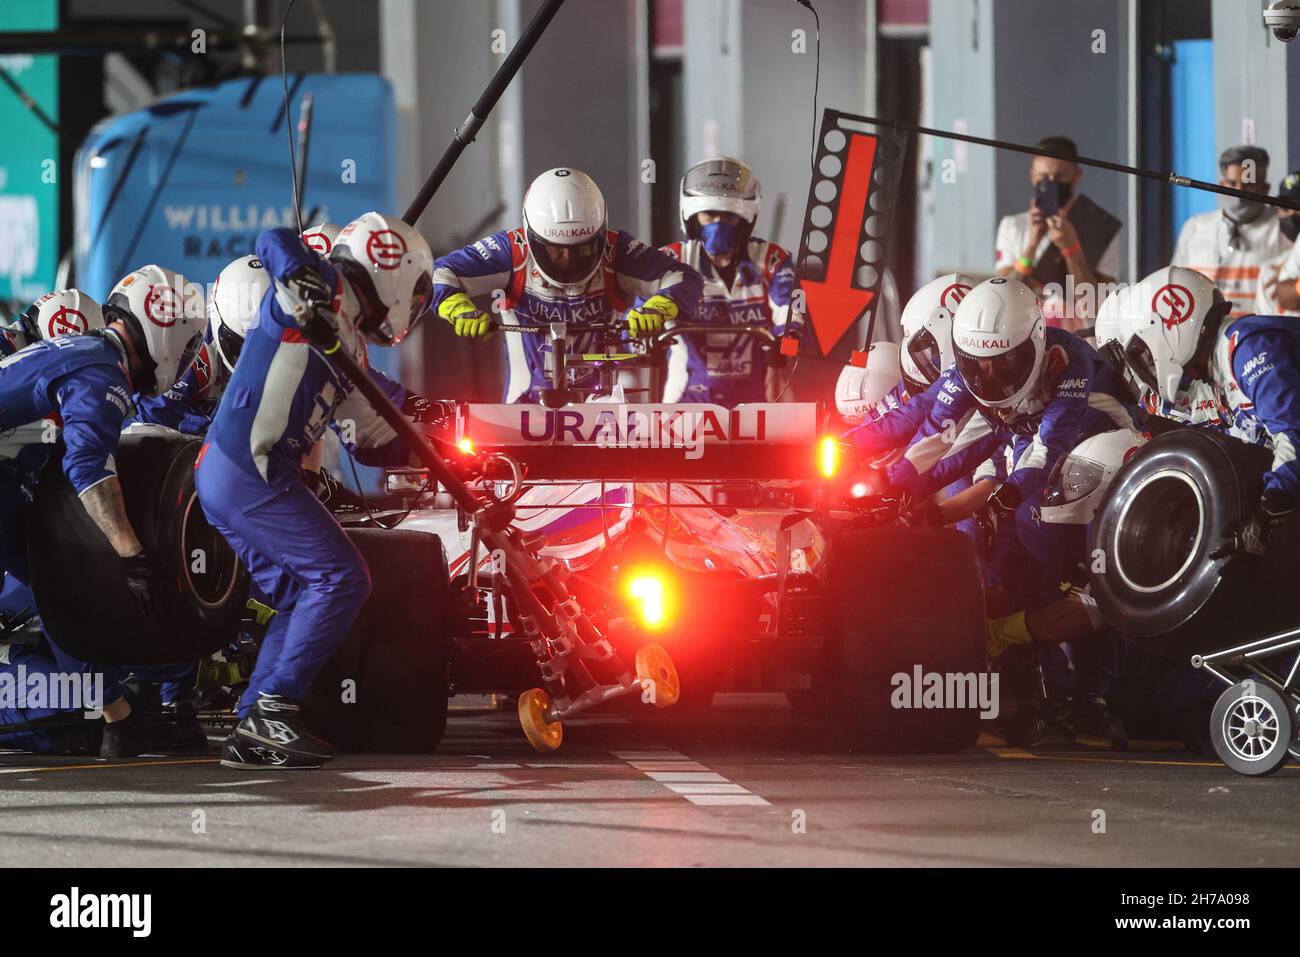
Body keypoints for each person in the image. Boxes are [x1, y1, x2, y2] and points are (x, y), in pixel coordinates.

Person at [195, 211, 432, 770]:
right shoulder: (321, 290)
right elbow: (272, 239)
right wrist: (304, 285)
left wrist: (435, 452)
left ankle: (257, 728)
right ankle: (273, 708)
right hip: (251, 470)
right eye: (416, 293)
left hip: (236, 473)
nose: (415, 307)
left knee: (304, 592)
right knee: (343, 577)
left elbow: (369, 440)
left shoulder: (344, 339)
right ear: (394, 274)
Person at [0, 269, 207, 755]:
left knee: (56, 588)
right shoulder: (100, 367)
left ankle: (120, 718)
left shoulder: (81, 353)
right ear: (168, 334)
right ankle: (119, 718)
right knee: (59, 589)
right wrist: (132, 555)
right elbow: (88, 467)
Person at [432, 167, 702, 402]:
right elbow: (439, 273)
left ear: (600, 233)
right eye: (555, 249)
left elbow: (683, 277)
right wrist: (459, 309)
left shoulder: (617, 249)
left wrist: (658, 307)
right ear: (531, 237)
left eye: (582, 249)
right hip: (524, 407)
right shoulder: (510, 251)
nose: (567, 259)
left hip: (602, 407)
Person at [1101, 265, 1300, 555]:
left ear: (1170, 324)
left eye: (1144, 352)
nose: (1147, 367)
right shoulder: (1215, 368)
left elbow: (1293, 432)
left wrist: (1271, 507)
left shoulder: (1246, 345)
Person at [658, 157, 805, 405]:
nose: (718, 225)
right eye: (709, 215)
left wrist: (787, 340)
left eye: (729, 217)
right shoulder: (671, 261)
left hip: (763, 401)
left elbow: (791, 315)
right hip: (687, 401)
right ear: (692, 218)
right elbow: (641, 317)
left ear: (746, 220)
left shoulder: (773, 260)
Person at [995, 136, 1120, 331]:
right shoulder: (1013, 226)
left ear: (1077, 175)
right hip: (1027, 337)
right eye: (1044, 177)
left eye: (1061, 176)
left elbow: (1098, 304)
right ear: (1033, 177)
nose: (1052, 183)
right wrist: (1031, 246)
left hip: (1081, 340)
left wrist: (1071, 249)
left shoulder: (1099, 227)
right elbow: (1002, 295)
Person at [1171, 145, 1291, 318]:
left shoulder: (1283, 229)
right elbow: (1175, 286)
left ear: (1265, 188)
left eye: (1248, 184)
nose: (1239, 192)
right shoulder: (1195, 227)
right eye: (1232, 183)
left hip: (1255, 339)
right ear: (1222, 184)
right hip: (1203, 339)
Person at [1257, 171, 1300, 317]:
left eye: (1299, 206)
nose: (1293, 214)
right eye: (1286, 208)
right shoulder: (1270, 271)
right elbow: (1264, 331)